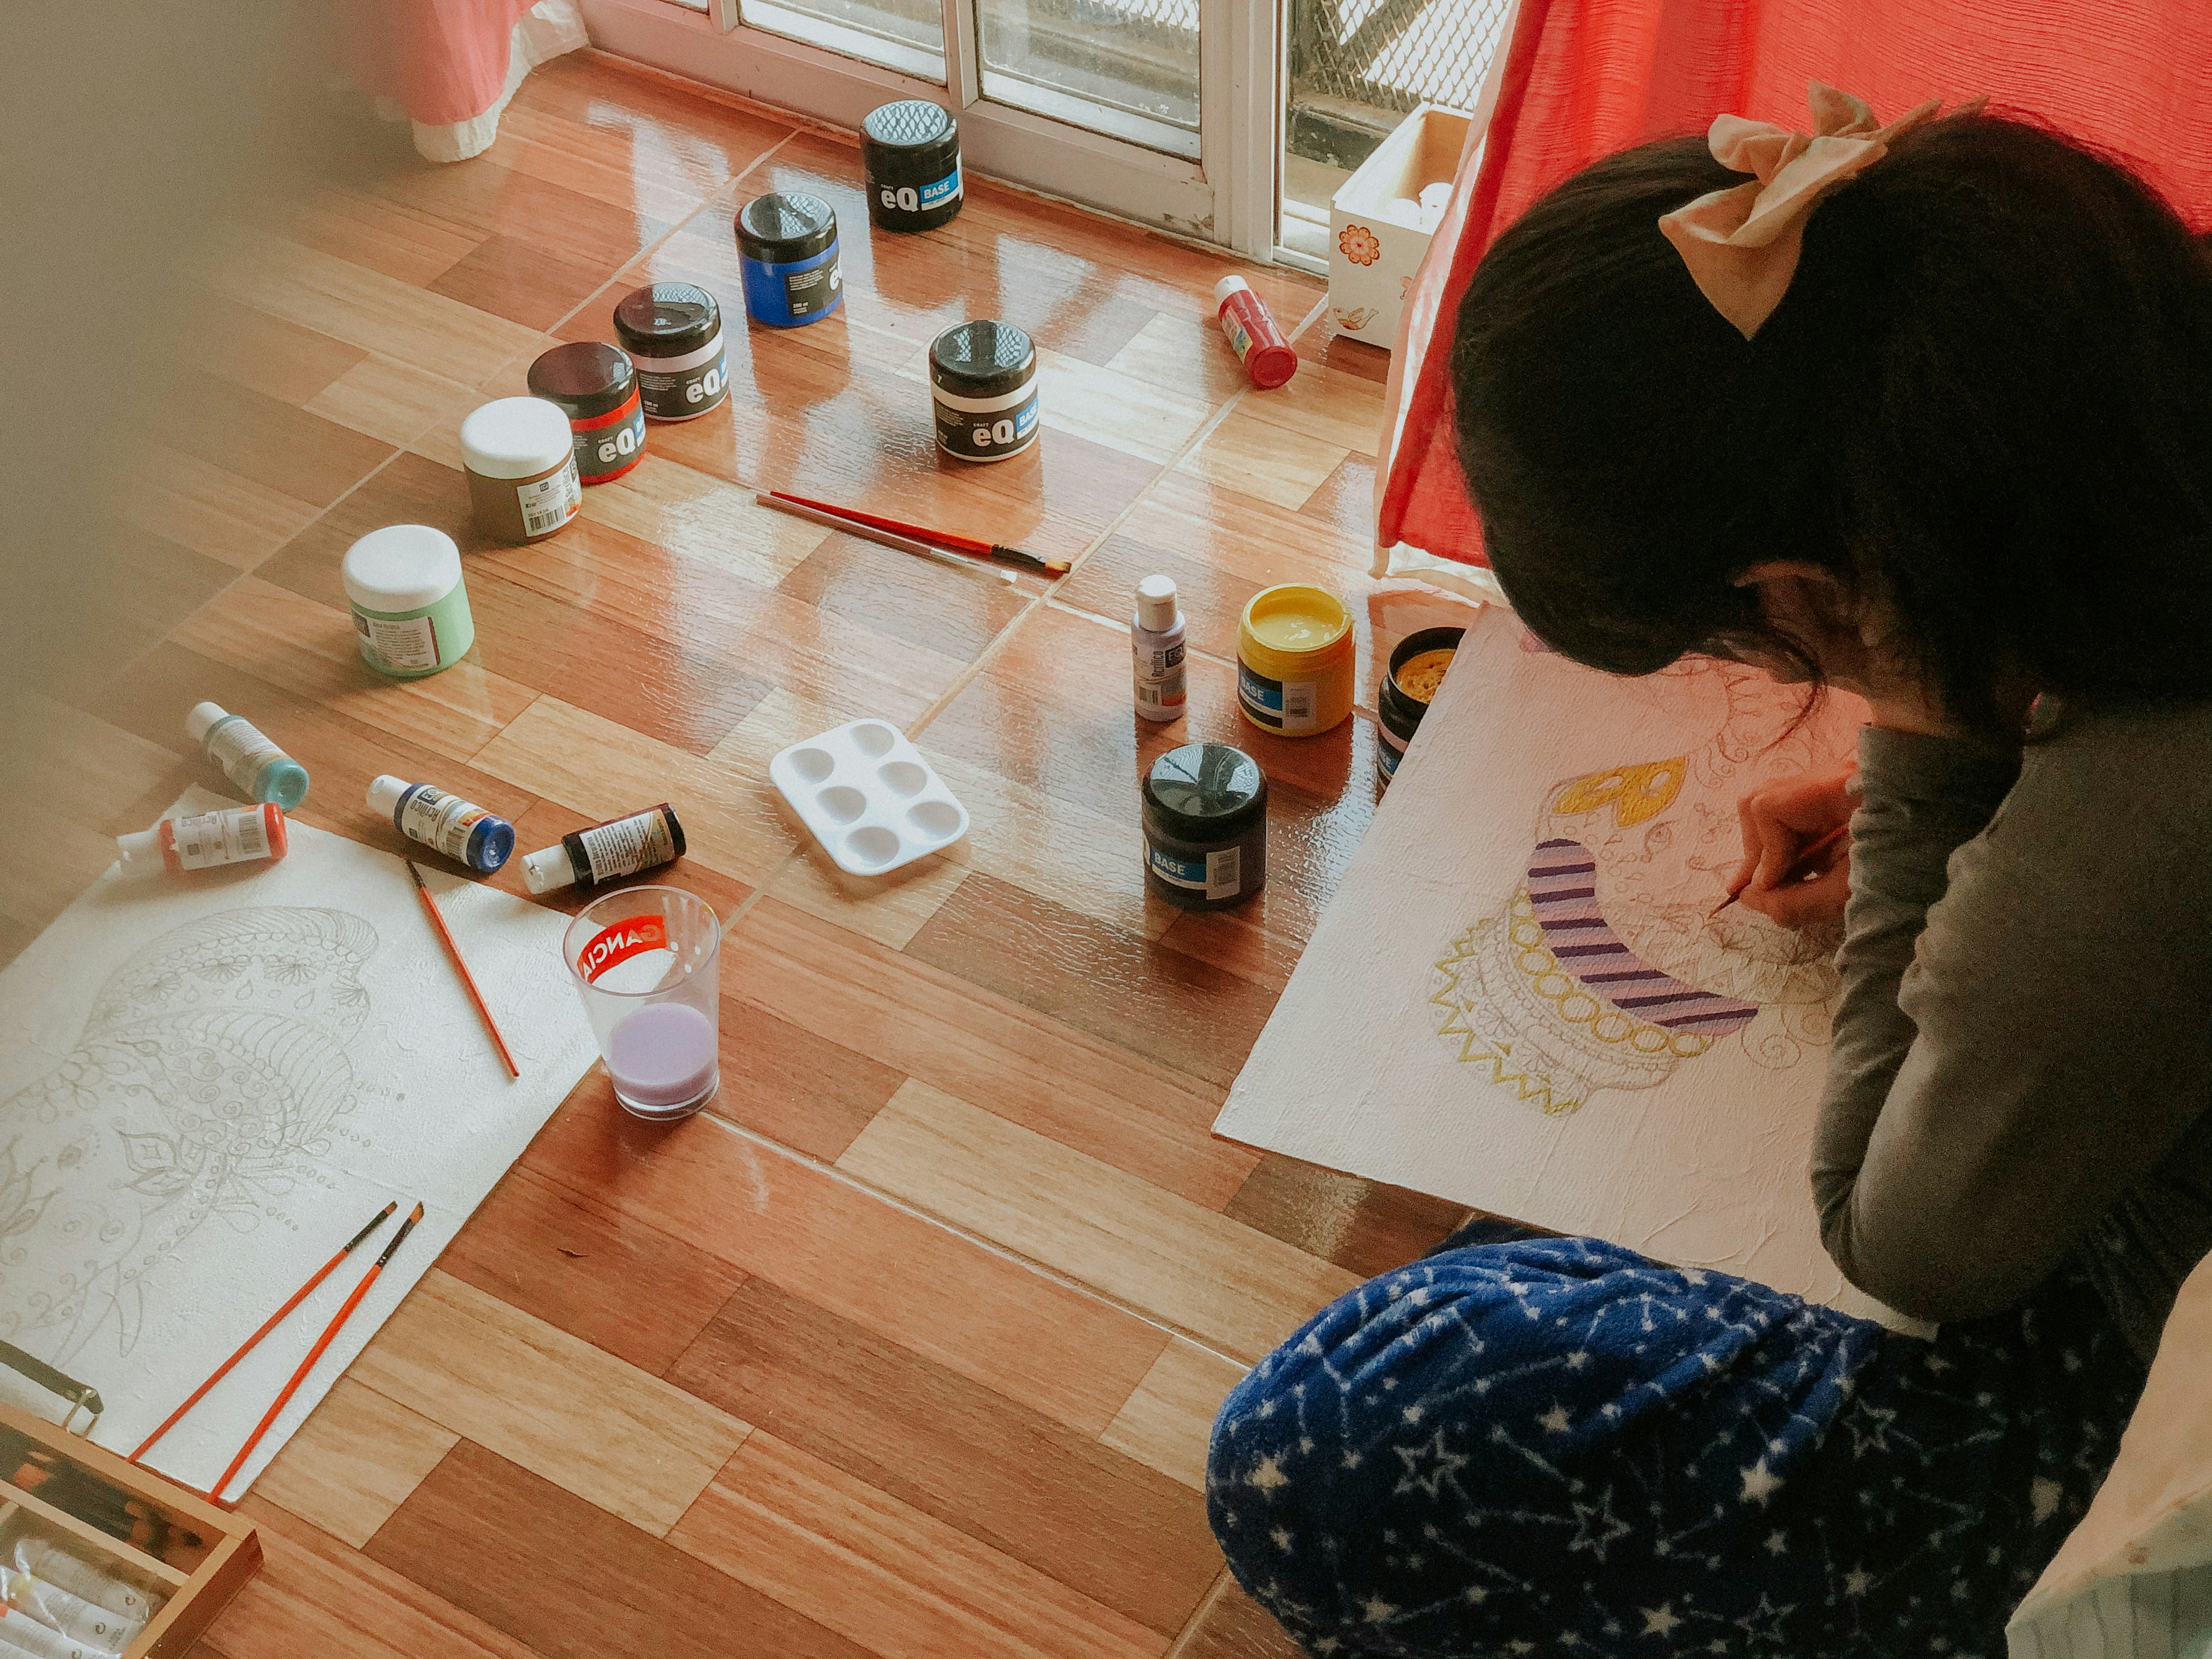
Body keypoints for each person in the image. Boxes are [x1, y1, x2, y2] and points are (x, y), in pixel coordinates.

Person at [1208, 86, 2212, 1657]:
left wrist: (1932, 745)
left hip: (2129, 1375)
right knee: (1506, 1285)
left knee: (1336, 1452)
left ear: (1816, 591)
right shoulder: (2146, 392)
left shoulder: (2127, 837)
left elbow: (1902, 1243)